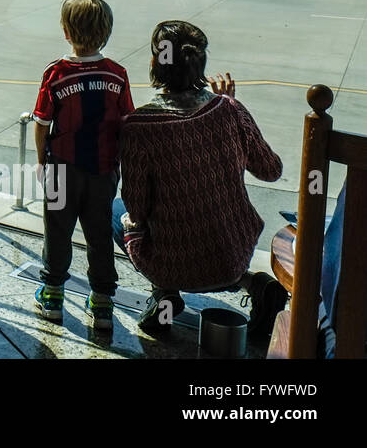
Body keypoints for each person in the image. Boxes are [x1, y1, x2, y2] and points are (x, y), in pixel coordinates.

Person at [113, 20, 283, 337]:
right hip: (232, 254)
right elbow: (271, 170)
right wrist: (233, 115)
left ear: (154, 64)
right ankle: (252, 283)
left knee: (115, 211)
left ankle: (165, 295)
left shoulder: (139, 126)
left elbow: (136, 210)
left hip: (175, 264)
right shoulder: (228, 108)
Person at [31, 0, 131, 331]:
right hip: (104, 170)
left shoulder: (56, 74)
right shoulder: (117, 74)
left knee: (57, 230)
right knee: (99, 232)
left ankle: (53, 293)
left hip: (62, 167)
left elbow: (43, 123)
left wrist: (41, 162)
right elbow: (127, 121)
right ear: (107, 32)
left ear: (66, 32)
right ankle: (102, 302)